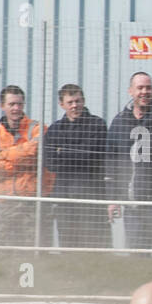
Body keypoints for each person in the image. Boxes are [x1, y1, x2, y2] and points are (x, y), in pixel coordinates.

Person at [105, 72, 152, 257]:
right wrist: (112, 198)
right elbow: (110, 163)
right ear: (131, 91)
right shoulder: (119, 122)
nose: (144, 91)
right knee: (138, 255)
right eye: (140, 88)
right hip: (131, 202)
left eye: (148, 87)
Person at [44, 84, 110, 250]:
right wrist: (80, 153)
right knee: (67, 244)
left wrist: (63, 152)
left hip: (91, 196)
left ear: (84, 101)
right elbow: (50, 163)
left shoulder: (97, 124)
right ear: (62, 104)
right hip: (64, 197)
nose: (75, 105)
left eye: (78, 101)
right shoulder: (55, 129)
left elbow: (93, 156)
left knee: (93, 245)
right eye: (70, 102)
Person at [0, 85, 45, 247]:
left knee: (31, 254)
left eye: (19, 104)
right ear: (2, 106)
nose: (16, 108)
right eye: (11, 104)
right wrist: (22, 163)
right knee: (4, 252)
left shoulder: (37, 128)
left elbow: (36, 151)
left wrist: (4, 155)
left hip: (32, 202)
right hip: (6, 204)